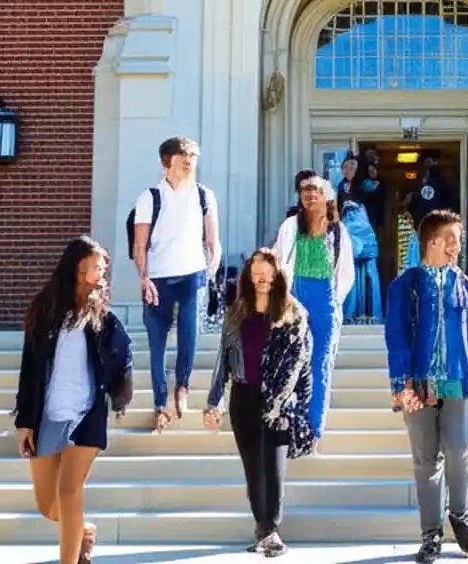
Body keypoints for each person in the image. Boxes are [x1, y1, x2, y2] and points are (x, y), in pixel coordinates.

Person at [15, 236, 134, 564]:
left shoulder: (104, 318)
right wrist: (24, 421)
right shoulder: (46, 310)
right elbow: (30, 368)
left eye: (104, 266)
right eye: (96, 263)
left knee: (69, 493)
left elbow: (124, 358)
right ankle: (82, 530)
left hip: (86, 415)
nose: (102, 269)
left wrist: (118, 396)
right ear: (77, 266)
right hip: (48, 414)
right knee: (49, 506)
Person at [385, 210, 468, 564]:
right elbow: (396, 336)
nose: (457, 246)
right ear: (432, 241)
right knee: (425, 459)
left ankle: (459, 514)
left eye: (458, 239)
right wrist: (400, 383)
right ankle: (431, 534)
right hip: (417, 382)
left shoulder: (466, 286)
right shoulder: (406, 285)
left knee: (459, 450)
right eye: (452, 238)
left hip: (458, 380)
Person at [205, 248, 315, 557]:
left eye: (267, 274)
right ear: (249, 277)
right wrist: (213, 402)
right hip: (243, 398)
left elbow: (300, 364)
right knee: (253, 467)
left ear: (279, 275)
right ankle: (262, 528)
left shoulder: (294, 314)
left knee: (273, 466)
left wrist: (287, 403)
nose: (262, 280)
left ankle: (272, 530)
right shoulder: (236, 311)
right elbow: (223, 359)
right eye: (256, 275)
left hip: (277, 401)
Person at [131, 136, 221, 433]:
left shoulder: (204, 195)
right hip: (158, 278)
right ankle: (160, 403)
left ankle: (182, 387)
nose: (189, 161)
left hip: (192, 274)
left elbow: (212, 240)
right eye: (183, 156)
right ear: (166, 161)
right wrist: (144, 279)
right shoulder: (150, 198)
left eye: (193, 156)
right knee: (157, 342)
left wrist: (212, 264)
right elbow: (140, 246)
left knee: (188, 333)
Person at [272, 175, 354, 438]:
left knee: (319, 365)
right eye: (305, 191)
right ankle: (290, 423)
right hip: (294, 302)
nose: (309, 196)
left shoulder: (338, 231)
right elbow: (277, 261)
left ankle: (314, 429)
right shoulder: (290, 226)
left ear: (326, 197)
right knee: (292, 362)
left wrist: (335, 302)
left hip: (325, 305)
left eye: (315, 191)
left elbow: (346, 274)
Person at [341, 189, 383, 323]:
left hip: (353, 264)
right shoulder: (366, 226)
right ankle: (370, 316)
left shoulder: (346, 224)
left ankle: (352, 315)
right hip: (365, 264)